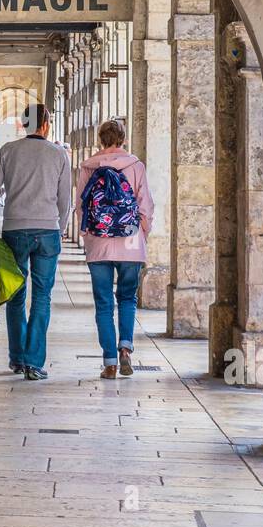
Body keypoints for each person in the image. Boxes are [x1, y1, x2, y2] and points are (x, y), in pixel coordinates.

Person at [0, 103, 72, 380]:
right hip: (47, 232)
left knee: (16, 295)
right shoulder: (58, 154)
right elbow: (64, 198)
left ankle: (17, 358)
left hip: (14, 231)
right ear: (45, 125)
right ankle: (33, 362)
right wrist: (61, 227)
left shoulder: (8, 151)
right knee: (42, 296)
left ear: (24, 125)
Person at [76, 119, 155, 379]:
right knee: (127, 298)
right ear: (123, 139)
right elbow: (145, 205)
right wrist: (141, 232)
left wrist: (88, 234)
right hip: (130, 243)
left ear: (100, 139)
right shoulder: (135, 165)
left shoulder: (88, 167)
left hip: (98, 245)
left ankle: (109, 362)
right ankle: (126, 350)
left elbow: (81, 206)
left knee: (103, 304)